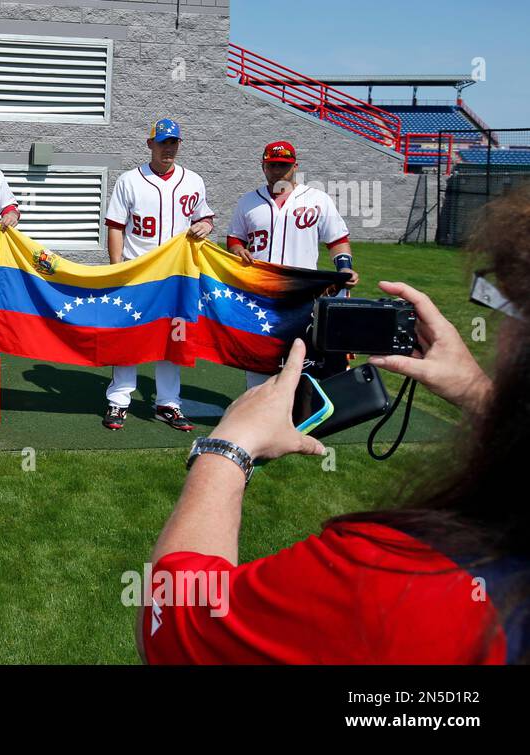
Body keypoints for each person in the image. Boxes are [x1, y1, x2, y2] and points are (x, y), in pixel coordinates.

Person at [140, 190, 530, 664]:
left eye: (500, 299)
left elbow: (174, 620)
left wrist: (227, 448)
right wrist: (481, 395)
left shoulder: (393, 579)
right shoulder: (249, 202)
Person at [100, 118, 216, 432]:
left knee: (173, 338)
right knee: (129, 338)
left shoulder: (193, 180)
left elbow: (204, 217)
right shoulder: (129, 180)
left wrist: (205, 225)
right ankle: (119, 401)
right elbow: (115, 227)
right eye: (163, 142)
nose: (168, 148)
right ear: (150, 144)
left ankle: (168, 404)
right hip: (138, 272)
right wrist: (116, 269)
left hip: (178, 276)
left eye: (173, 142)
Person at [226, 140, 361, 389]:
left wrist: (344, 267)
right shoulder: (248, 201)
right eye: (273, 165)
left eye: (284, 166)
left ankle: (298, 414)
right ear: (263, 166)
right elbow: (235, 238)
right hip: (261, 292)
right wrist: (237, 249)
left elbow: (337, 240)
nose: (279, 170)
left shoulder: (317, 199)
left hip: (302, 294)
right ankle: (258, 411)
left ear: (295, 166)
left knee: (301, 357)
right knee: (259, 358)